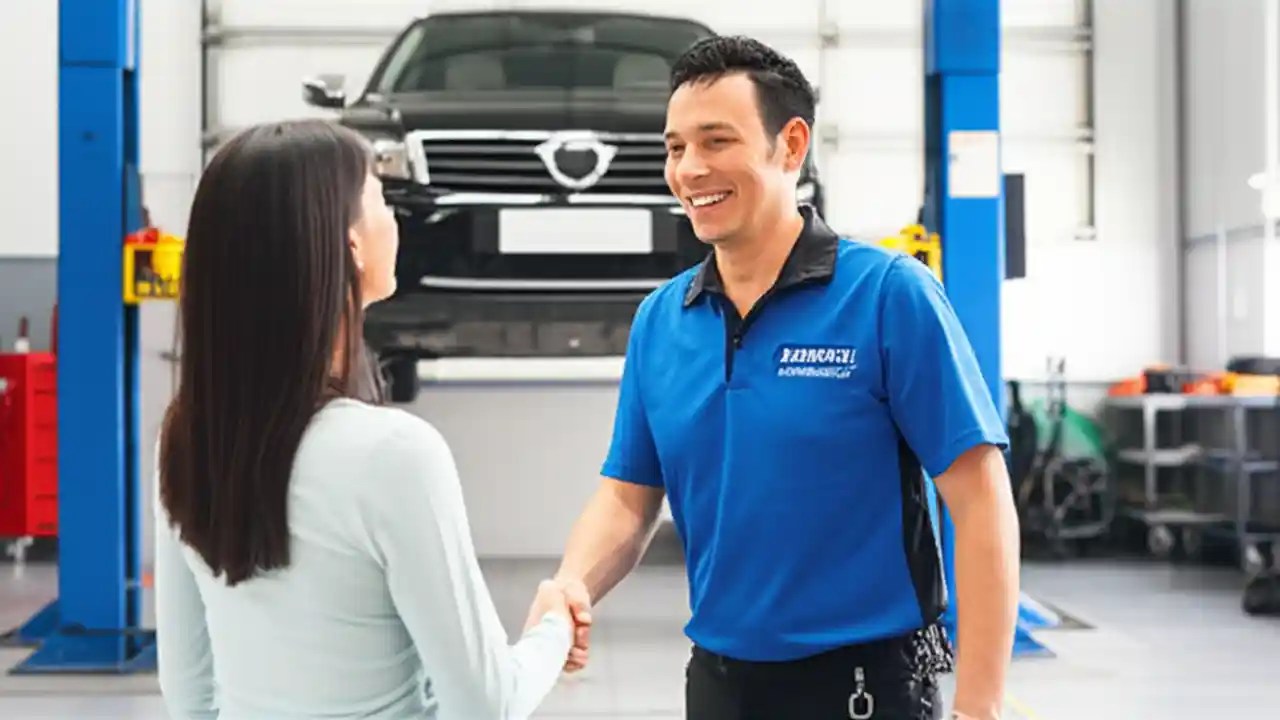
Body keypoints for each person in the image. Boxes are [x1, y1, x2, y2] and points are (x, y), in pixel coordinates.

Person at [535, 36, 1021, 720]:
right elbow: (627, 497)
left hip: (863, 690)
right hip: (717, 685)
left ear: (790, 146)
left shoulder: (886, 296)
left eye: (717, 141)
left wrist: (979, 707)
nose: (690, 169)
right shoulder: (661, 320)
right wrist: (571, 584)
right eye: (675, 148)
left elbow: (979, 499)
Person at [154, 119, 573, 720]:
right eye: (380, 199)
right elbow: (486, 705)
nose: (394, 219)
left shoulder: (187, 437)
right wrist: (554, 627)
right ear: (350, 245)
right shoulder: (394, 454)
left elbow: (189, 694)